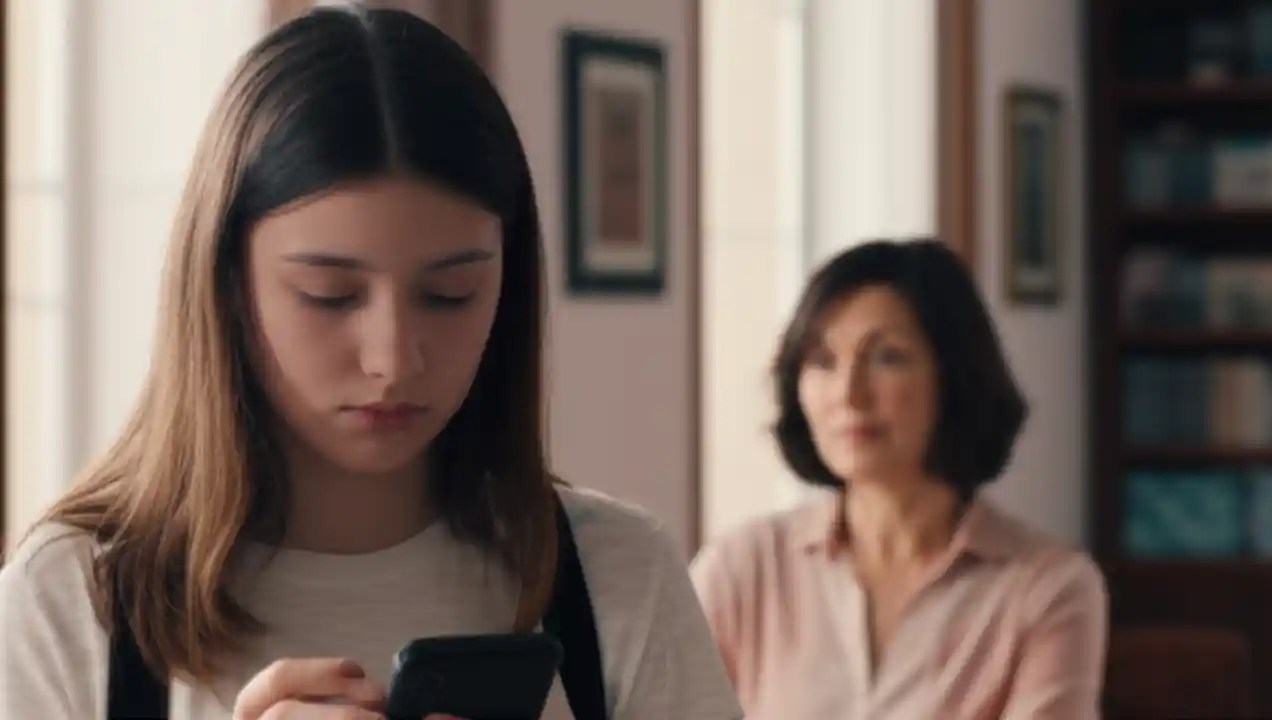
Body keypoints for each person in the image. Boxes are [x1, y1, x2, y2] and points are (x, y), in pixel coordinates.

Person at [0, 7, 740, 720]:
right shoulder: (73, 599)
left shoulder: (616, 574)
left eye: (451, 294)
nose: (392, 359)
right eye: (329, 295)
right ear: (224, 282)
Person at [691, 240, 1108, 719]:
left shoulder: (1047, 589)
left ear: (953, 377)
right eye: (823, 361)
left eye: (886, 357)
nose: (849, 393)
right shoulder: (740, 572)